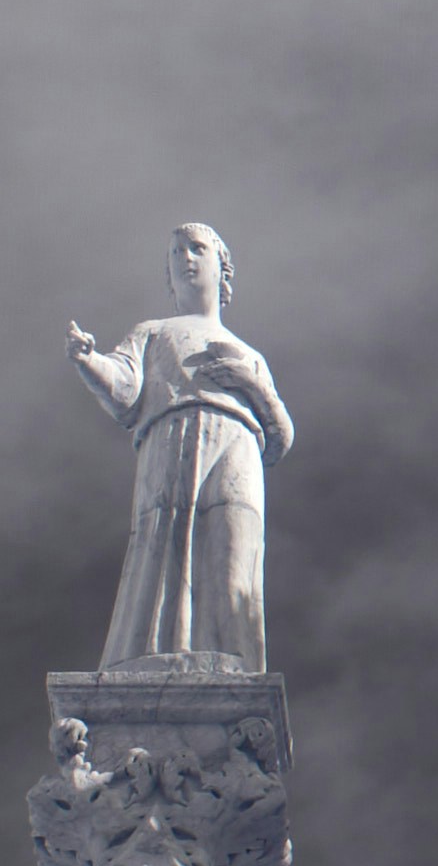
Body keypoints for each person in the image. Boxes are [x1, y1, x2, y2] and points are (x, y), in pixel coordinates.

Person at [68, 224, 293, 670]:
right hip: (171, 441)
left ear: (221, 267)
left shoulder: (249, 355)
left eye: (196, 249)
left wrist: (251, 385)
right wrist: (88, 360)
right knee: (163, 544)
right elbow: (124, 390)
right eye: (176, 252)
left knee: (233, 550)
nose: (185, 258)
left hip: (237, 450)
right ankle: (151, 654)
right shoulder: (153, 332)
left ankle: (235, 659)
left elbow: (280, 437)